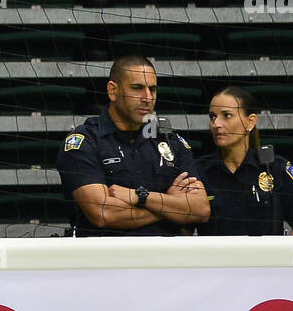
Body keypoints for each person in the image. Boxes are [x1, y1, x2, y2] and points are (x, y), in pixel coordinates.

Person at [56, 54, 210, 237]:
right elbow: (103, 213)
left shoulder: (172, 142)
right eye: (137, 88)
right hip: (108, 253)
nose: (148, 97)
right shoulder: (85, 142)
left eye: (152, 89)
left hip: (165, 253)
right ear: (112, 91)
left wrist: (140, 197)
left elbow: (200, 209)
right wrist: (170, 206)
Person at [198, 86, 293, 235]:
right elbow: (185, 230)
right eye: (212, 117)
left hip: (267, 251)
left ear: (250, 122)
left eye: (227, 115)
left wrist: (282, 249)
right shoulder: (198, 170)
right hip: (215, 251)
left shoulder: (275, 168)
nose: (216, 124)